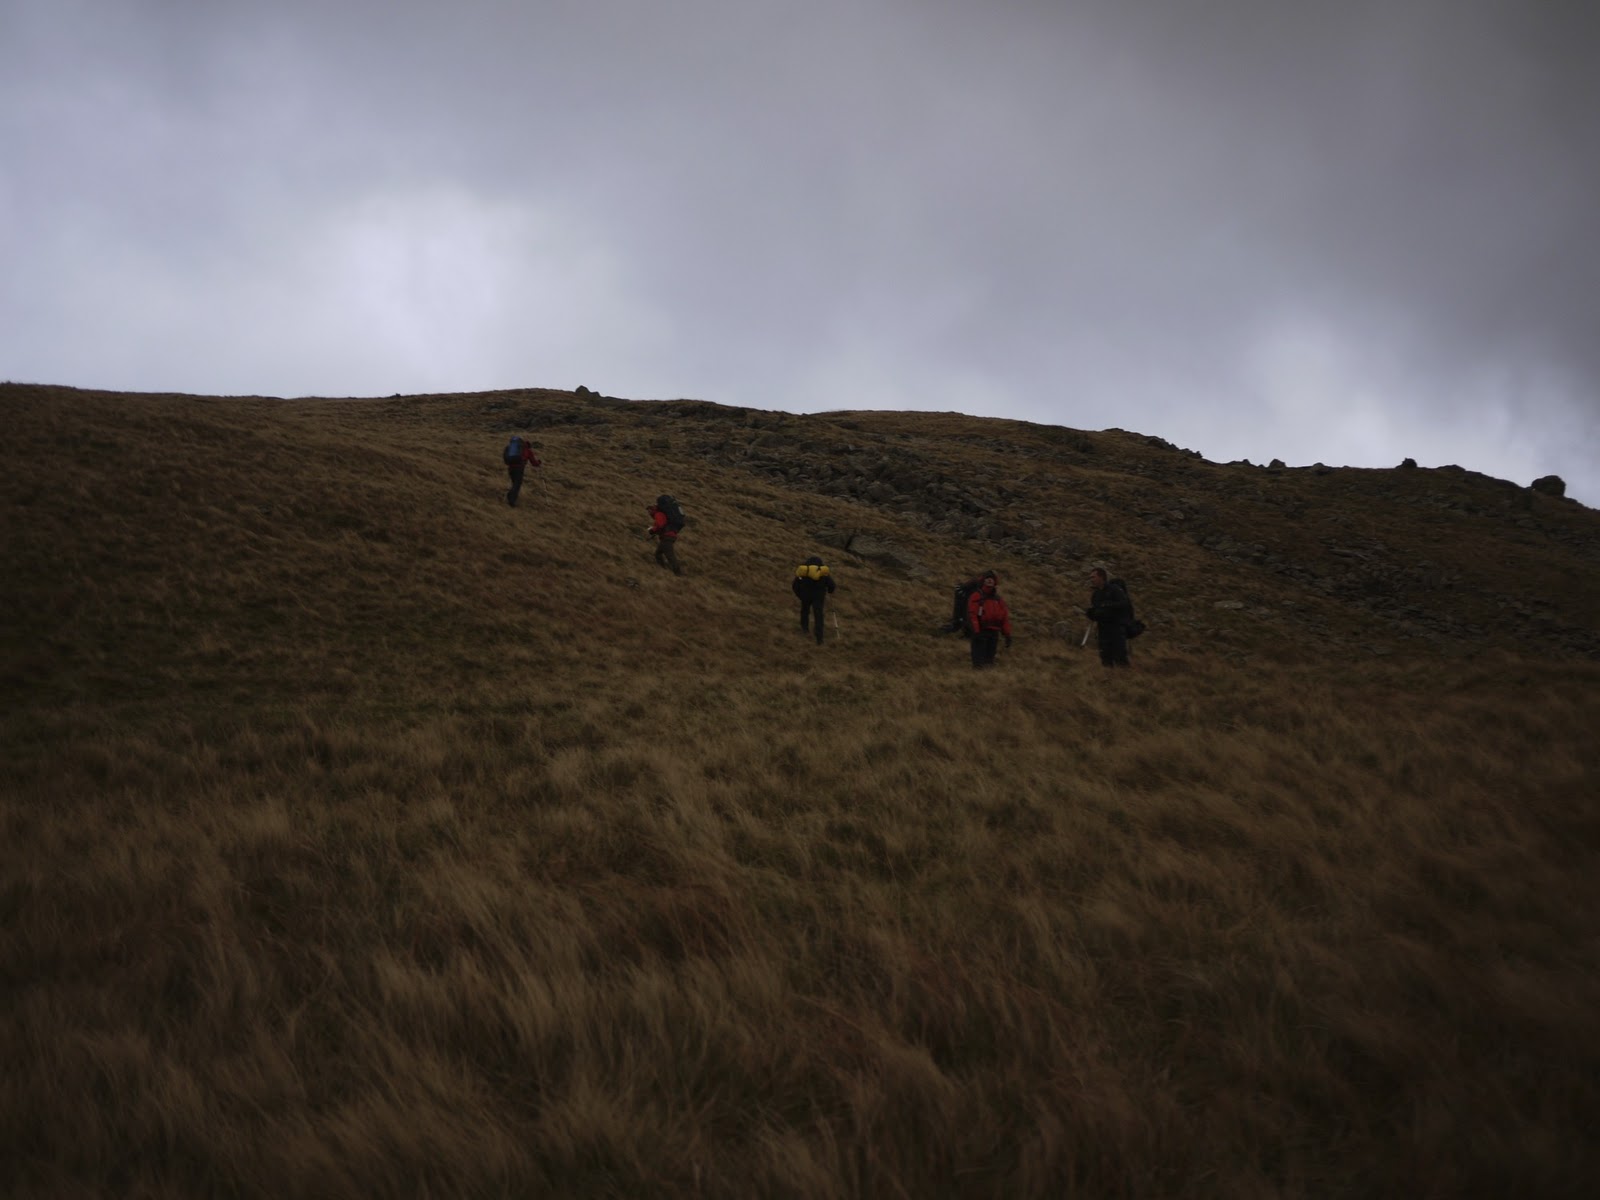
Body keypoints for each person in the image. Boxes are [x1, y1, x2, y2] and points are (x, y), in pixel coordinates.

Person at [1085, 567, 1132, 667]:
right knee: (1105, 658)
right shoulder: (1096, 594)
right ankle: (1109, 679)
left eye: (1093, 577)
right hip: (1103, 630)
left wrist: (1107, 605)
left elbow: (1124, 604)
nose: (1091, 580)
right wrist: (1092, 614)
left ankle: (1126, 679)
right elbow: (1096, 610)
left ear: (1101, 577)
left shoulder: (1115, 590)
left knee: (1120, 657)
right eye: (1090, 578)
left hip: (1117, 628)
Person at [966, 571, 1012, 668]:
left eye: (992, 579)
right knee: (979, 662)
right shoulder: (977, 596)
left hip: (994, 632)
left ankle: (987, 678)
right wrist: (976, 631)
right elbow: (972, 614)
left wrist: (1007, 634)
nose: (990, 580)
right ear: (983, 581)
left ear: (995, 582)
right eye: (988, 578)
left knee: (989, 660)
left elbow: (1004, 618)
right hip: (981, 632)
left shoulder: (998, 599)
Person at [792, 556, 836, 644]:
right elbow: (832, 585)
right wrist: (830, 591)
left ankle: (805, 629)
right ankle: (819, 637)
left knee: (805, 611)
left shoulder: (804, 571)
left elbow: (795, 585)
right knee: (818, 615)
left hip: (805, 596)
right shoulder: (823, 572)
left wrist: (800, 595)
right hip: (818, 597)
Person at [502, 435, 541, 507]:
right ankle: (511, 500)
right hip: (519, 469)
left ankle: (511, 496)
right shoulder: (527, 450)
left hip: (511, 468)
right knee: (517, 484)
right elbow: (533, 462)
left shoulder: (511, 447)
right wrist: (538, 463)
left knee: (514, 483)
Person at [645, 502, 682, 574]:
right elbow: (661, 527)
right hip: (668, 536)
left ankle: (678, 572)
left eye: (649, 511)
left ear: (652, 510)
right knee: (658, 554)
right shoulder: (659, 514)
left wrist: (652, 530)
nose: (649, 513)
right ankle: (662, 569)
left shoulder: (658, 514)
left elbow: (660, 525)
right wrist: (654, 532)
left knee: (670, 556)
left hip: (667, 537)